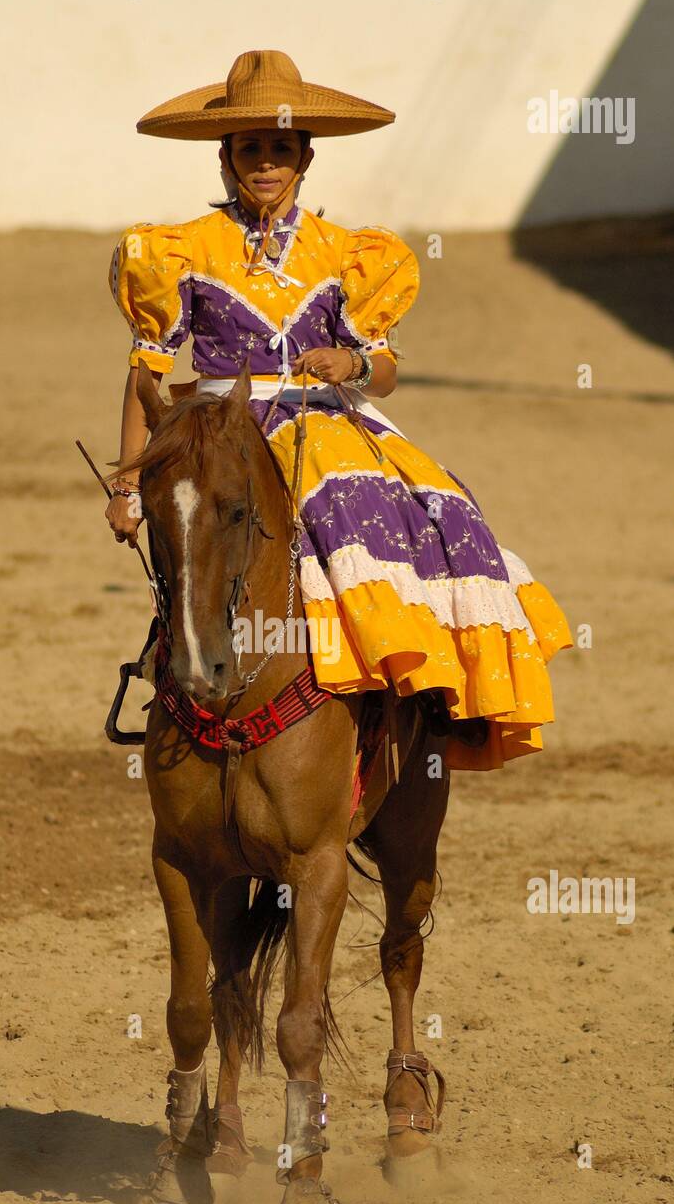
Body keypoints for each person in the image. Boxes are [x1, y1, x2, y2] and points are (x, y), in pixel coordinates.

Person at [106, 49, 572, 769]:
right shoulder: (180, 250)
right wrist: (130, 483)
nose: (266, 163)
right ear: (226, 159)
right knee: (191, 534)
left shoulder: (349, 252)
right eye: (250, 148)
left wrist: (352, 363)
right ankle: (170, 677)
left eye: (280, 149)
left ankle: (413, 700)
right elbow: (146, 370)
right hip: (216, 422)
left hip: (323, 420)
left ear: (306, 159)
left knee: (437, 514)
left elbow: (383, 373)